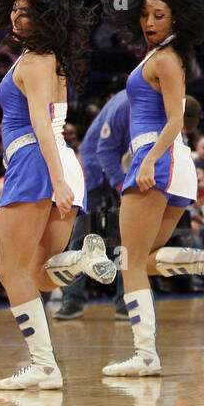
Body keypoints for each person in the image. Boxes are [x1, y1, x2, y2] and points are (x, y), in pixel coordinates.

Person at [0, 0, 109, 390]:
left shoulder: (33, 63)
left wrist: (54, 183)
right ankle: (81, 262)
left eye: (25, 12)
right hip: (61, 165)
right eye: (14, 9)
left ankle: (44, 366)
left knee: (9, 268)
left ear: (40, 19)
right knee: (40, 272)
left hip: (38, 161)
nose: (16, 13)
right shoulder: (51, 55)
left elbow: (43, 129)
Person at [98, 0, 204, 376]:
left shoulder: (167, 60)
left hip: (158, 156)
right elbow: (145, 3)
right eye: (145, 14)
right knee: (144, 256)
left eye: (159, 15)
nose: (149, 21)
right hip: (173, 162)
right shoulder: (159, 53)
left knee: (130, 260)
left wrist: (148, 161)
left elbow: (176, 118)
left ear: (176, 19)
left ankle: (145, 355)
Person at [56, 90, 129, 321]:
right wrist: (120, 186)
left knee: (123, 240)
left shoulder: (147, 100)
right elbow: (102, 151)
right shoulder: (127, 103)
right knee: (84, 235)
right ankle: (72, 300)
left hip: (116, 171)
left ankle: (124, 301)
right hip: (97, 172)